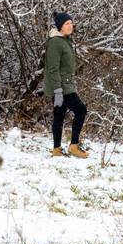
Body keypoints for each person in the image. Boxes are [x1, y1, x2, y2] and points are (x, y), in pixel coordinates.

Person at [44, 11, 88, 158]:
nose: (71, 26)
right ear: (60, 26)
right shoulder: (56, 42)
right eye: (67, 24)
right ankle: (73, 146)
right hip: (62, 86)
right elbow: (53, 68)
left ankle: (57, 149)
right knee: (81, 110)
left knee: (59, 116)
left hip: (66, 84)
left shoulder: (65, 40)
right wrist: (57, 90)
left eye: (71, 23)